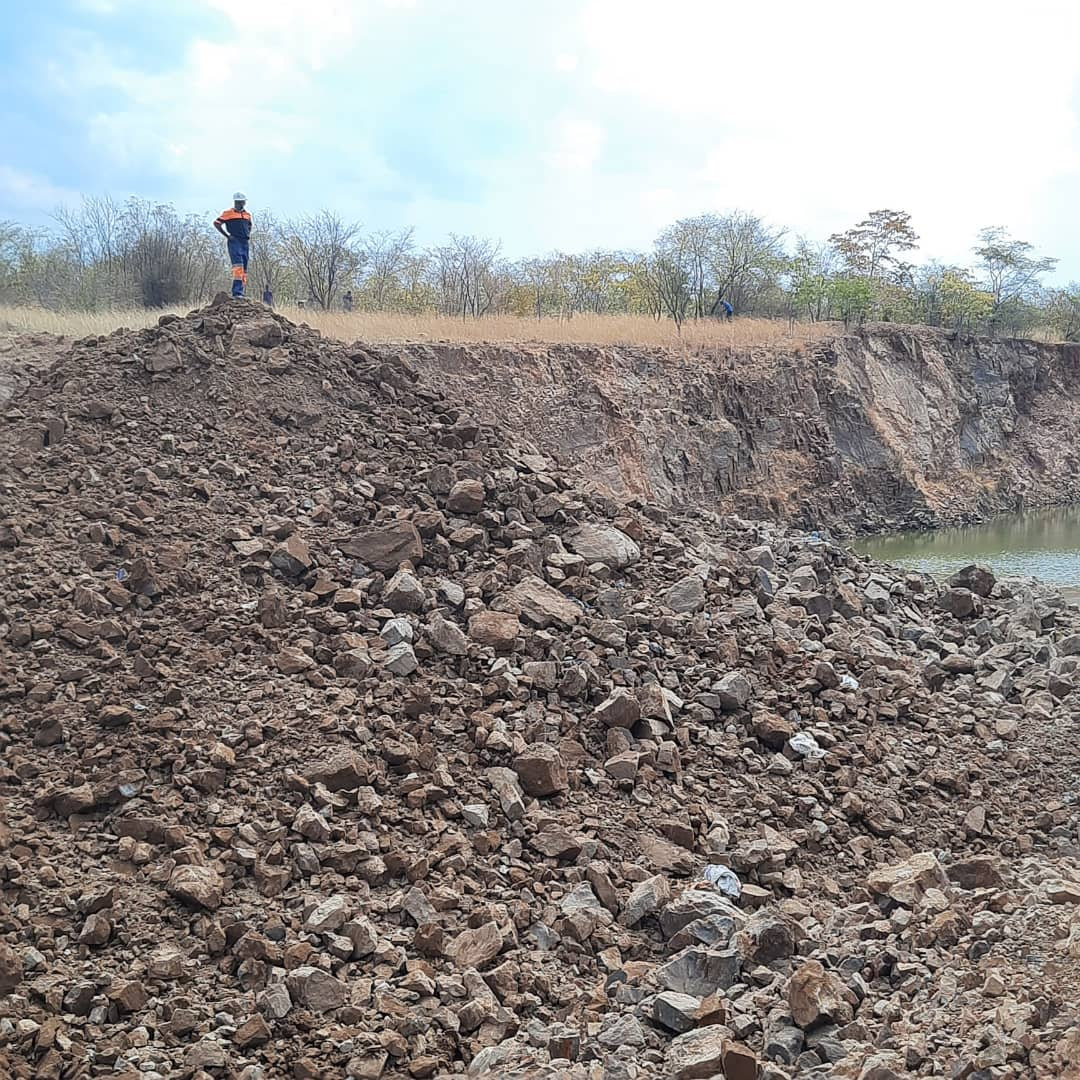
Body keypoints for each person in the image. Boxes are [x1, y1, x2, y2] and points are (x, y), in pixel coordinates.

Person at [213, 192, 252, 298]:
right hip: (235, 241)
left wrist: (247, 234)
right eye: (240, 202)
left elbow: (249, 225)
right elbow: (217, 223)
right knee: (238, 266)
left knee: (244, 268)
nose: (242, 204)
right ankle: (237, 292)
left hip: (245, 242)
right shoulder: (228, 213)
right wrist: (227, 236)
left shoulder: (247, 215)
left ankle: (241, 292)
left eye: (243, 202)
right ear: (236, 202)